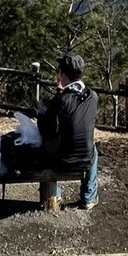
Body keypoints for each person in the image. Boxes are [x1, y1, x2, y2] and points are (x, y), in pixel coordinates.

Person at [36, 52, 100, 210]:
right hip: (86, 158)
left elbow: (48, 131)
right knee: (94, 150)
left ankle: (55, 195)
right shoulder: (93, 96)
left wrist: (56, 98)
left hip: (63, 161)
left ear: (63, 75)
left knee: (45, 147)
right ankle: (89, 196)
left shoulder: (60, 100)